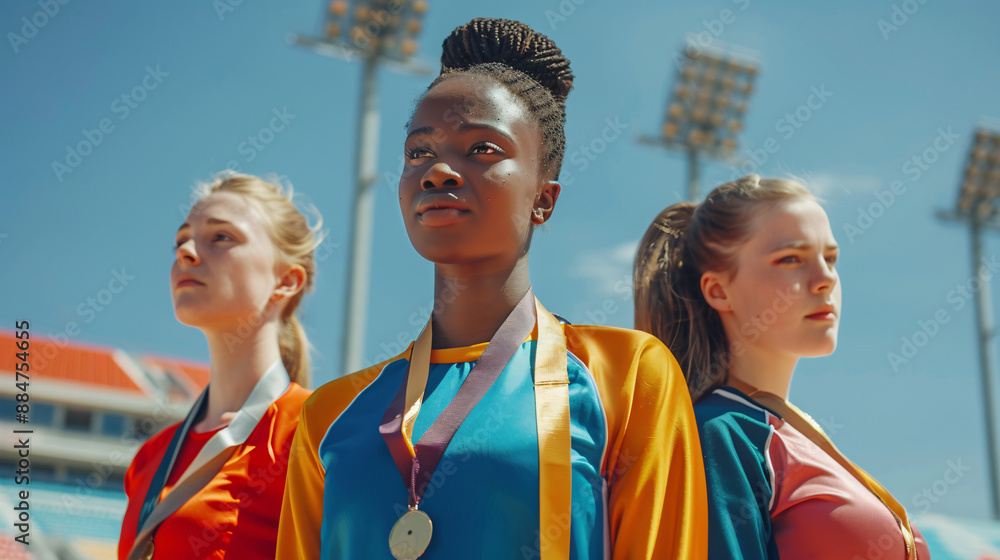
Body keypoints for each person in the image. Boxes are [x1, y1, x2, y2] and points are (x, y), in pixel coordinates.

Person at [278, 17, 706, 560]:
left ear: (544, 199)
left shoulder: (625, 377)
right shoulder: (330, 416)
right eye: (418, 152)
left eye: (482, 149)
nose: (437, 171)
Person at [633, 173, 930, 559]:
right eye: (790, 259)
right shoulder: (718, 432)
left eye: (831, 258)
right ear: (718, 290)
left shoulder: (785, 431)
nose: (825, 279)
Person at [118, 172, 324, 560]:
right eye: (182, 240)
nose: (186, 252)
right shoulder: (149, 458)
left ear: (286, 280)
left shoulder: (319, 430)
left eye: (221, 237)